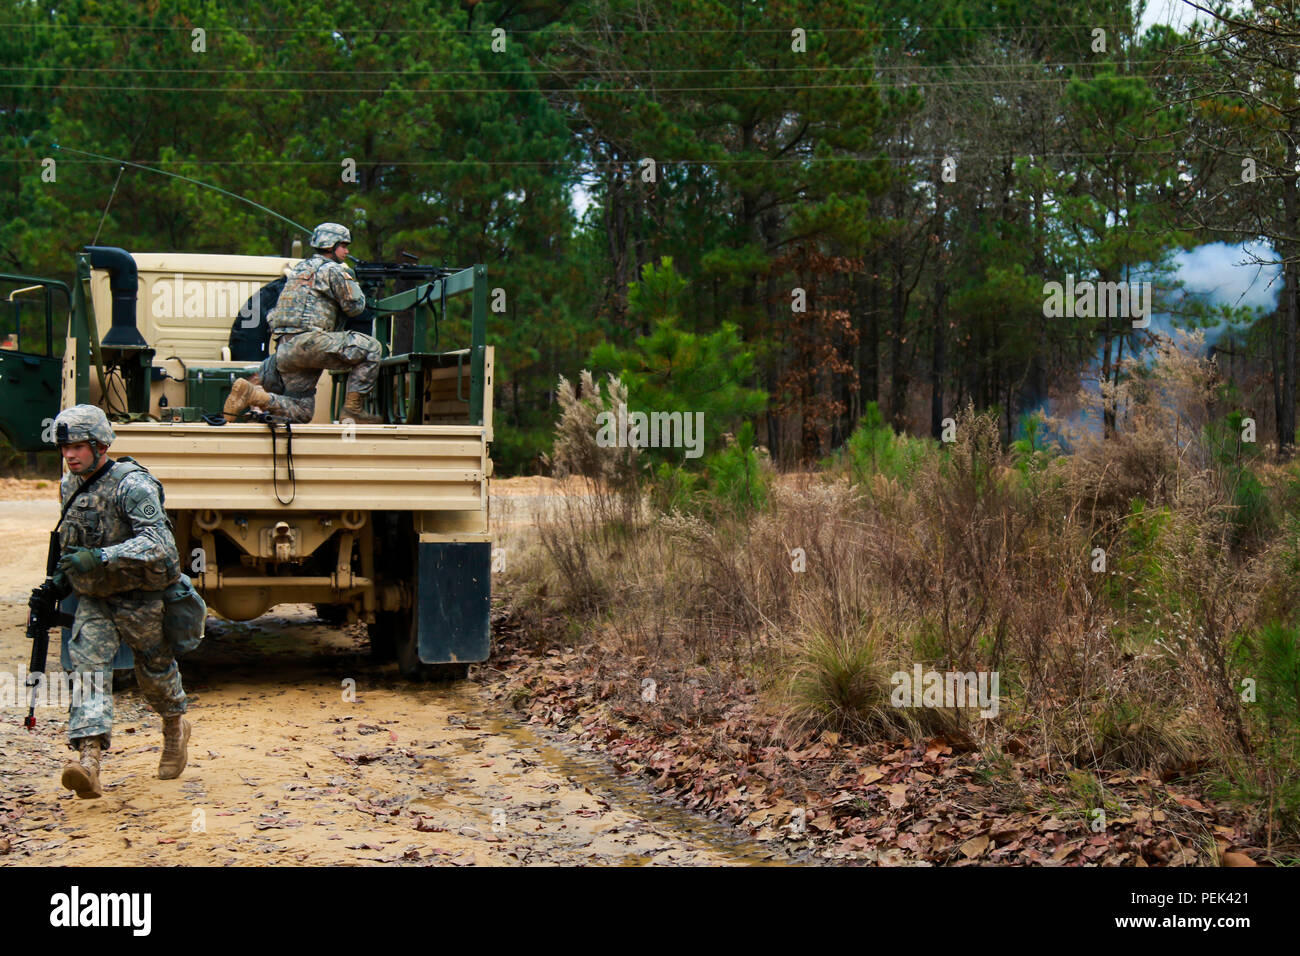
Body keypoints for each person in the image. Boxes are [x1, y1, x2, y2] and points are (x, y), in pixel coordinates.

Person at [52, 405, 190, 799]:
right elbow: (73, 542)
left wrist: (102, 556)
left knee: (155, 673)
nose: (70, 455)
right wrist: (61, 577)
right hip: (95, 599)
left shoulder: (133, 485)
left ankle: (174, 727)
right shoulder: (69, 485)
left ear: (99, 445)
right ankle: (89, 759)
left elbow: (159, 544)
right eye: (65, 448)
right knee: (89, 669)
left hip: (140, 597)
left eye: (77, 446)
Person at [223, 222, 382, 425]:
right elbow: (355, 307)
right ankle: (353, 410)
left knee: (302, 411)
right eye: (343, 245)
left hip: (285, 350)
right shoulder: (334, 270)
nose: (347, 250)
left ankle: (253, 396)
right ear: (331, 245)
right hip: (310, 344)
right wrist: (355, 283)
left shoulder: (299, 269)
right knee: (371, 349)